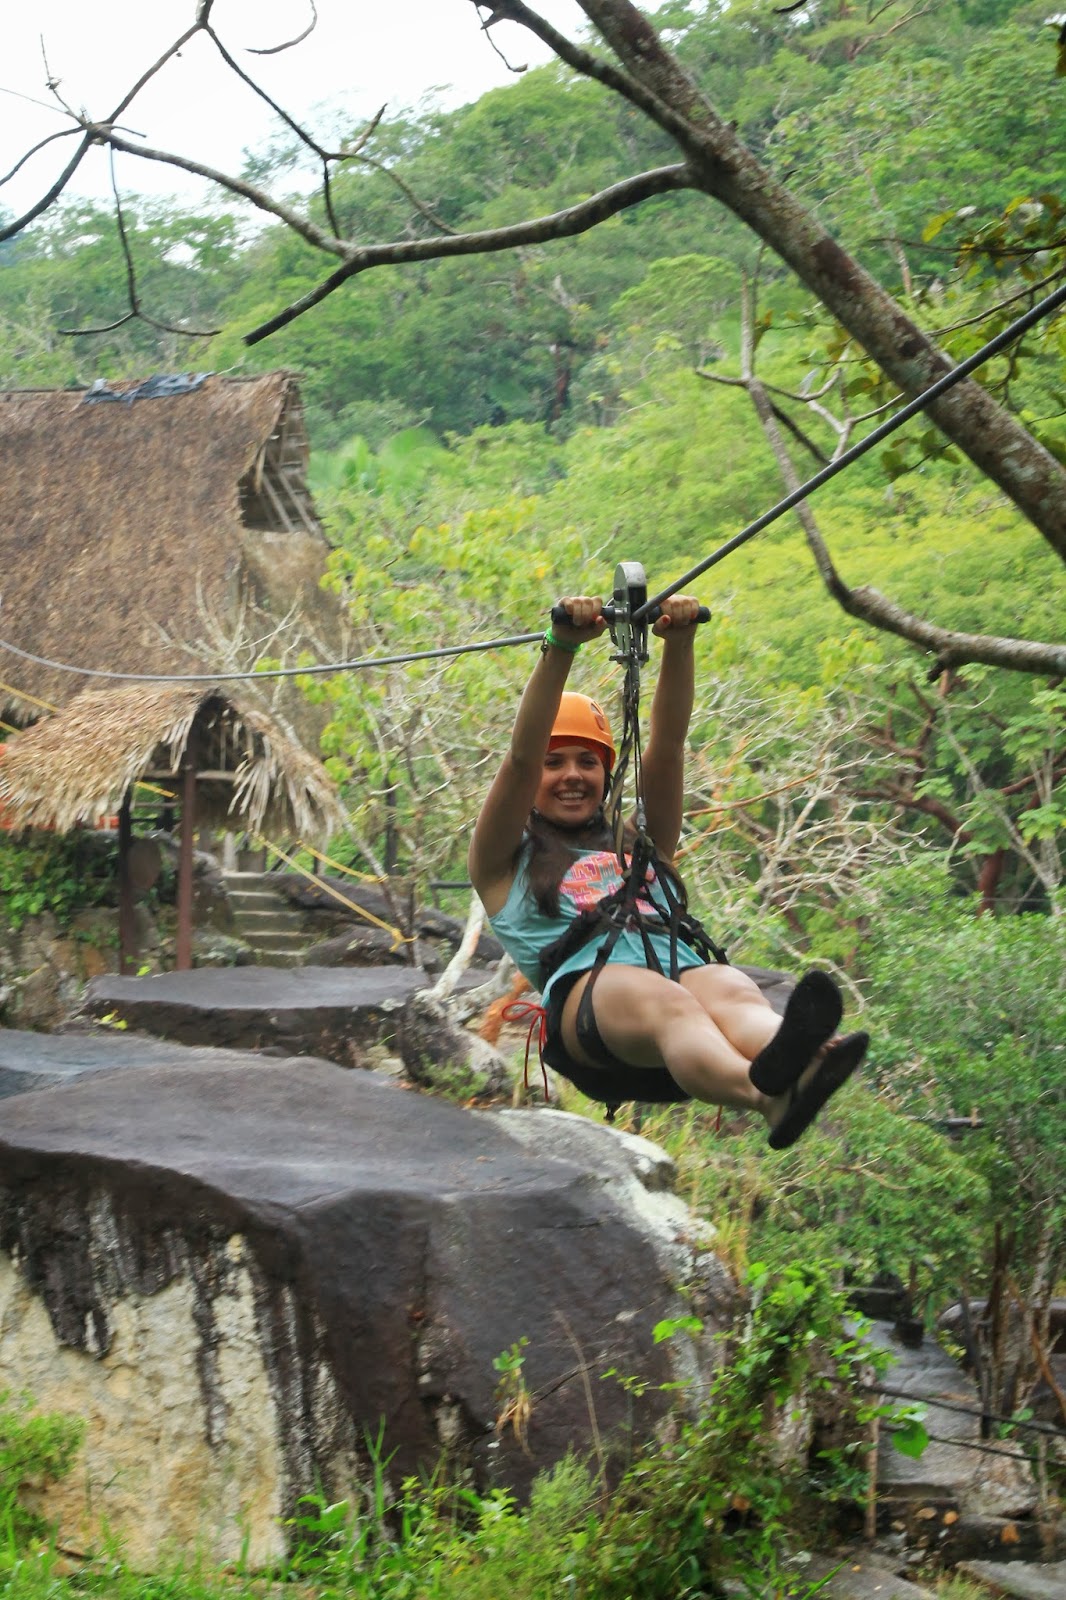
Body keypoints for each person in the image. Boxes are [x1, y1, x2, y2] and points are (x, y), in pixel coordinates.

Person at [467, 594, 868, 1147]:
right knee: (667, 1001)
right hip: (591, 1007)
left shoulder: (641, 845)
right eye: (555, 762)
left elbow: (669, 748)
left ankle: (799, 1061)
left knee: (730, 985)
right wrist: (559, 648)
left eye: (588, 761)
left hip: (673, 973)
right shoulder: (500, 861)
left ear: (606, 774)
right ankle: (764, 1098)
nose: (572, 775)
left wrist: (679, 646)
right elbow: (519, 759)